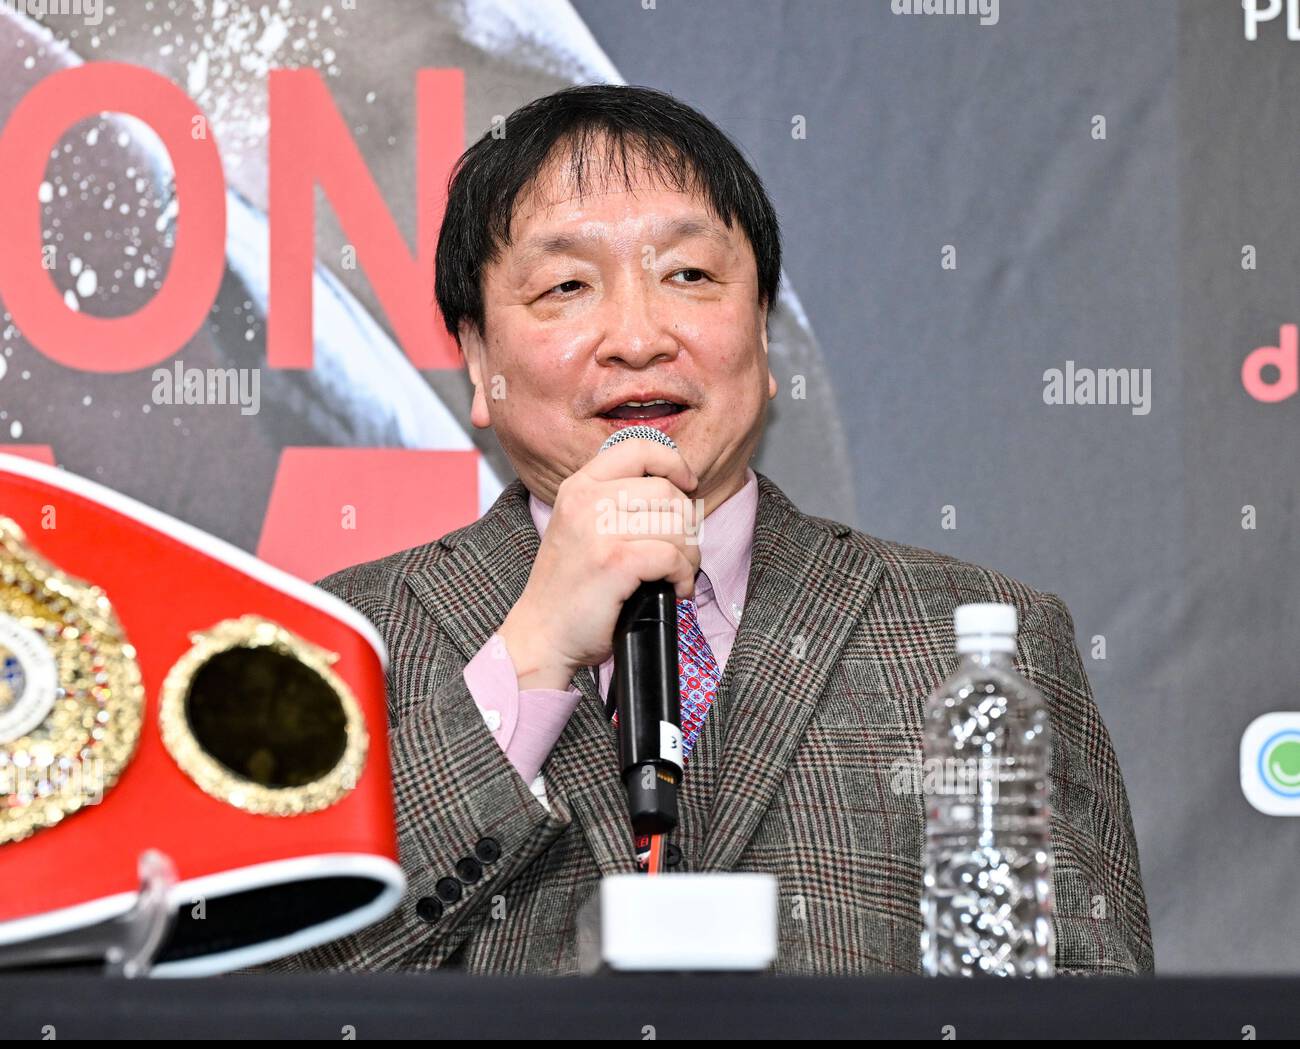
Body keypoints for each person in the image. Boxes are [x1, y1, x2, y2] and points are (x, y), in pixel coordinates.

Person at [256, 84, 1153, 976]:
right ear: (480, 364)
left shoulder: (975, 642)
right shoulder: (336, 644)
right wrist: (529, 658)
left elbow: (1087, 1012)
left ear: (762, 337)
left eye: (688, 275)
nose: (637, 338)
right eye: (567, 285)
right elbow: (268, 985)